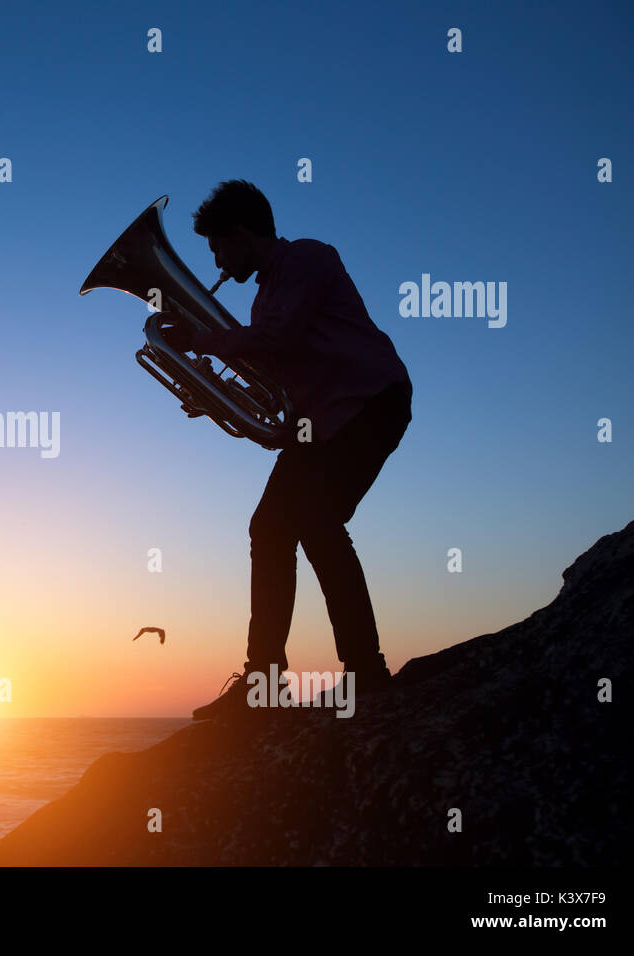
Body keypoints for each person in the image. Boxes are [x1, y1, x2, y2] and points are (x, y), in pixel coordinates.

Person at [158, 180, 413, 723]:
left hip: (369, 403)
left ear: (244, 234)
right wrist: (210, 394)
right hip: (319, 420)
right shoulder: (265, 295)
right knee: (271, 529)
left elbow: (277, 344)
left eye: (219, 248)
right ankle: (266, 680)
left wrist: (198, 341)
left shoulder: (307, 259)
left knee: (318, 525)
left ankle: (364, 673)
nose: (219, 263)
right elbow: (277, 372)